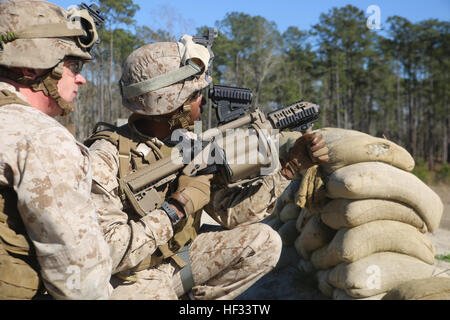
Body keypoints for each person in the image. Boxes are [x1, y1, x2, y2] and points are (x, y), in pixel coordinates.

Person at [85, 36, 329, 300]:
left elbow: (233, 215)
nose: (201, 101)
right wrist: (178, 207)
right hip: (131, 275)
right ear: (169, 104)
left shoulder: (187, 143)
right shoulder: (105, 157)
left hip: (180, 257)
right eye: (193, 95)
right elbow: (107, 252)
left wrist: (289, 168)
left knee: (264, 242)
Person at [0, 0, 113, 299]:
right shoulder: (40, 137)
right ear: (31, 65)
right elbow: (80, 283)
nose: (81, 78)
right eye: (72, 65)